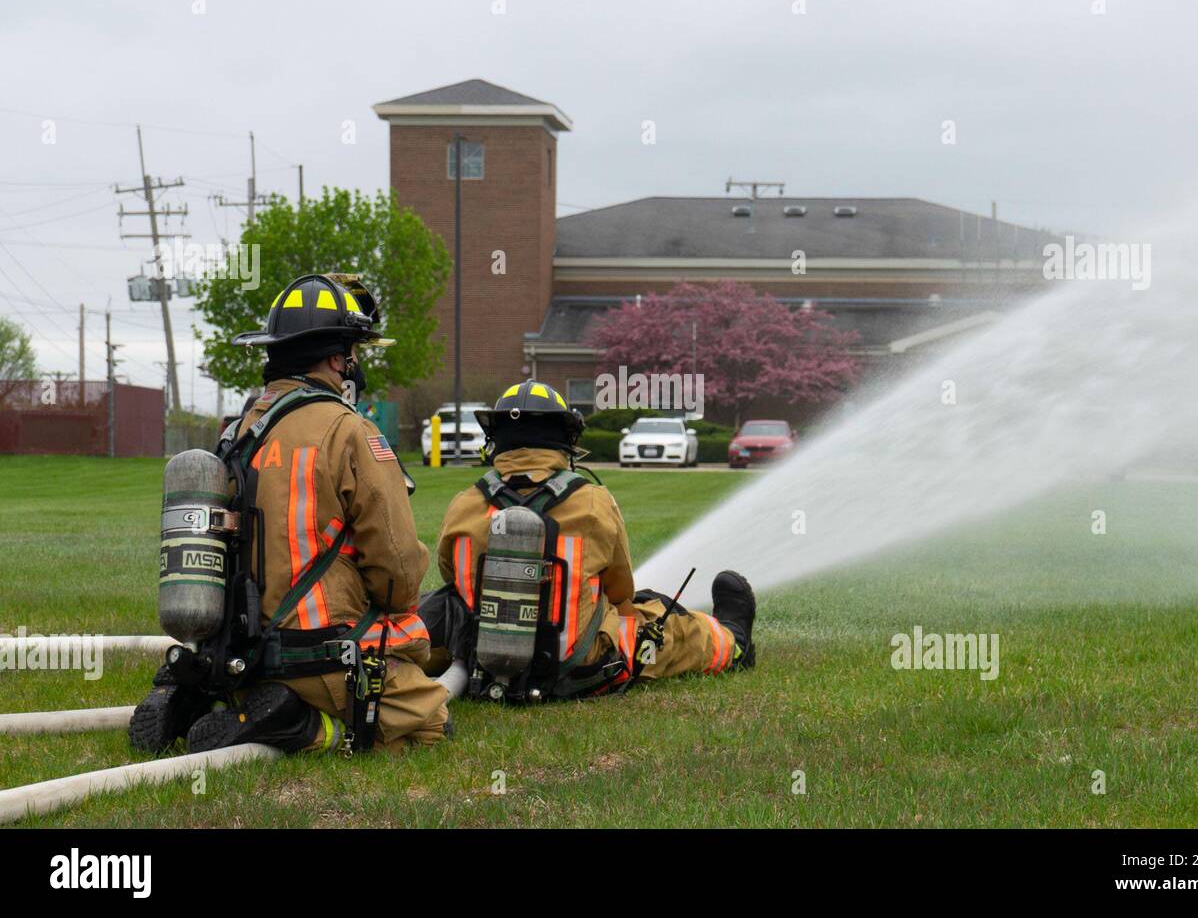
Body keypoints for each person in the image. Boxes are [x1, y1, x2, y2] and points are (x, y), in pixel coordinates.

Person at [130, 273, 451, 755]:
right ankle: (301, 726)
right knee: (430, 723)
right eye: (354, 354)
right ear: (337, 358)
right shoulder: (351, 432)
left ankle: (209, 696)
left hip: (239, 653)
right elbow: (398, 574)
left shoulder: (237, 433)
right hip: (324, 659)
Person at [417, 379, 755, 702]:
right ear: (565, 439)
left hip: (483, 667)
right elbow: (620, 591)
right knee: (669, 625)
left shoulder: (464, 505)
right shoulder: (593, 502)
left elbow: (453, 581)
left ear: (496, 440)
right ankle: (734, 642)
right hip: (580, 668)